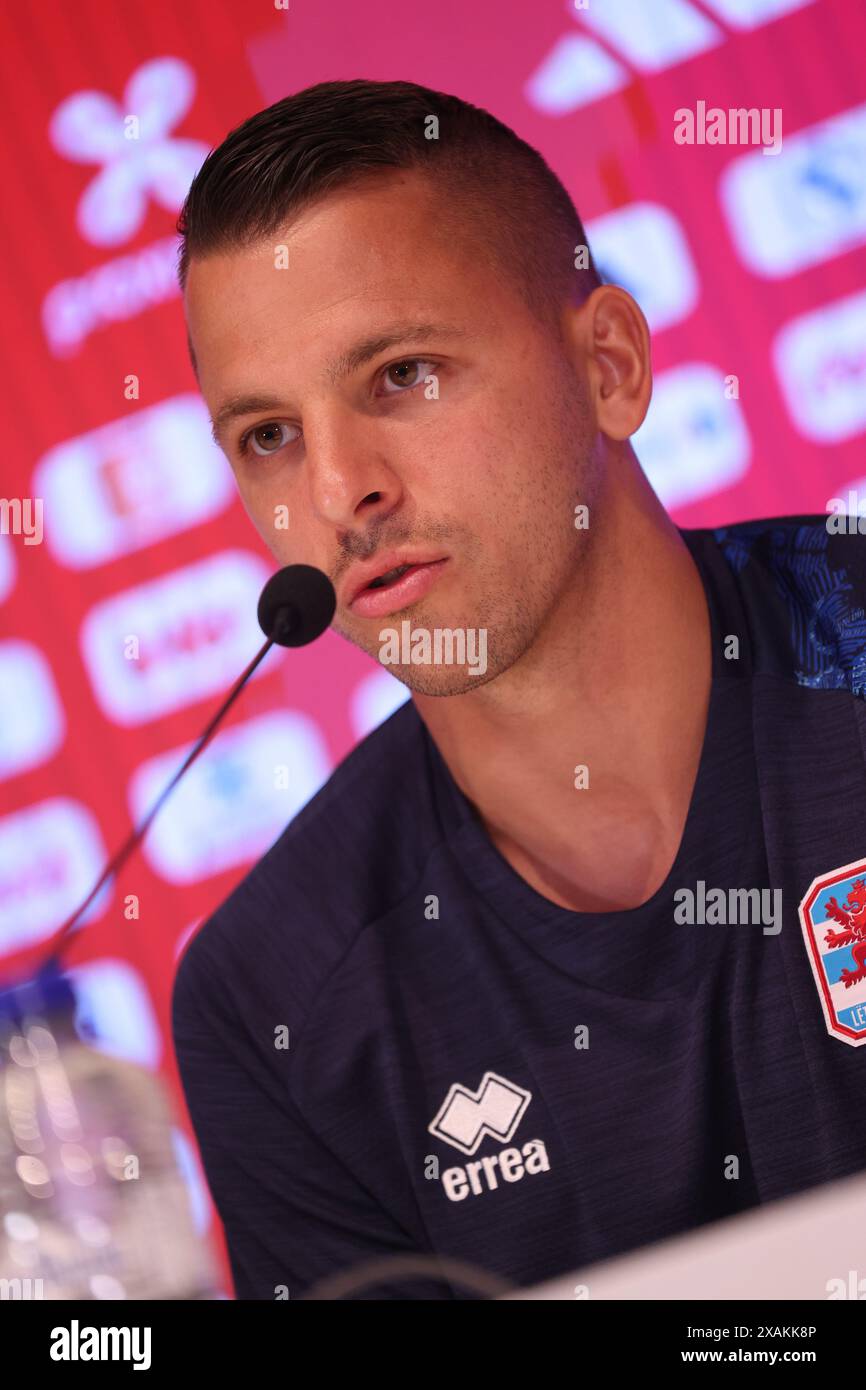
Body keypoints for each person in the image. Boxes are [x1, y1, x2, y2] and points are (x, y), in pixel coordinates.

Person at [171, 78, 866, 1300]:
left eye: (400, 375)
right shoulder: (272, 998)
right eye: (268, 435)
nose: (339, 492)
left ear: (608, 365)